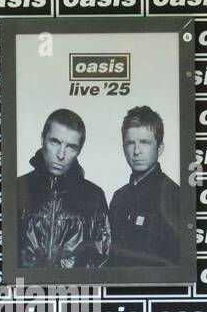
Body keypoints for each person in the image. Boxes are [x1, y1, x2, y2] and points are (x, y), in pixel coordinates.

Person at [17, 108, 111, 269]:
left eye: (71, 147)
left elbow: (102, 259)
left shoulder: (93, 197)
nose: (61, 155)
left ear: (79, 150)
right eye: (55, 142)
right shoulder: (17, 189)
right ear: (42, 139)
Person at [109, 106, 180, 267]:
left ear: (160, 148)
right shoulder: (118, 197)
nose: (136, 151)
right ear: (123, 149)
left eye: (145, 142)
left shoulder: (173, 195)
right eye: (130, 143)